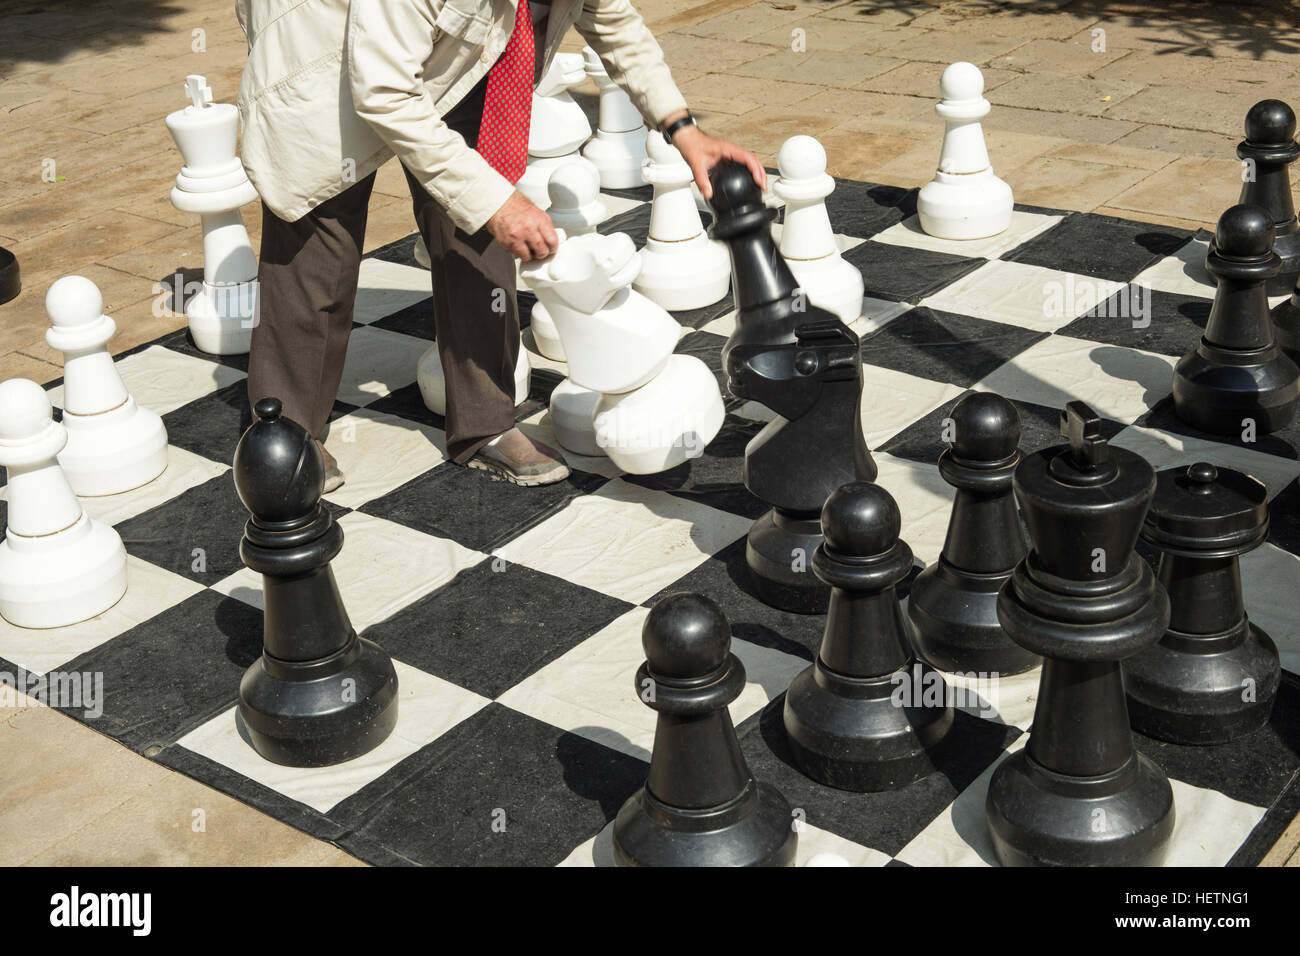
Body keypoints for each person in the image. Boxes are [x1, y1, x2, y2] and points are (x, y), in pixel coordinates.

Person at [234, 0, 765, 490]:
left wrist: (683, 130)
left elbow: (615, 23)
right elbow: (385, 92)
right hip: (320, 52)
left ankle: (484, 424)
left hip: (456, 50)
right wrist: (498, 203)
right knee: (318, 245)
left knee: (479, 216)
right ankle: (285, 434)